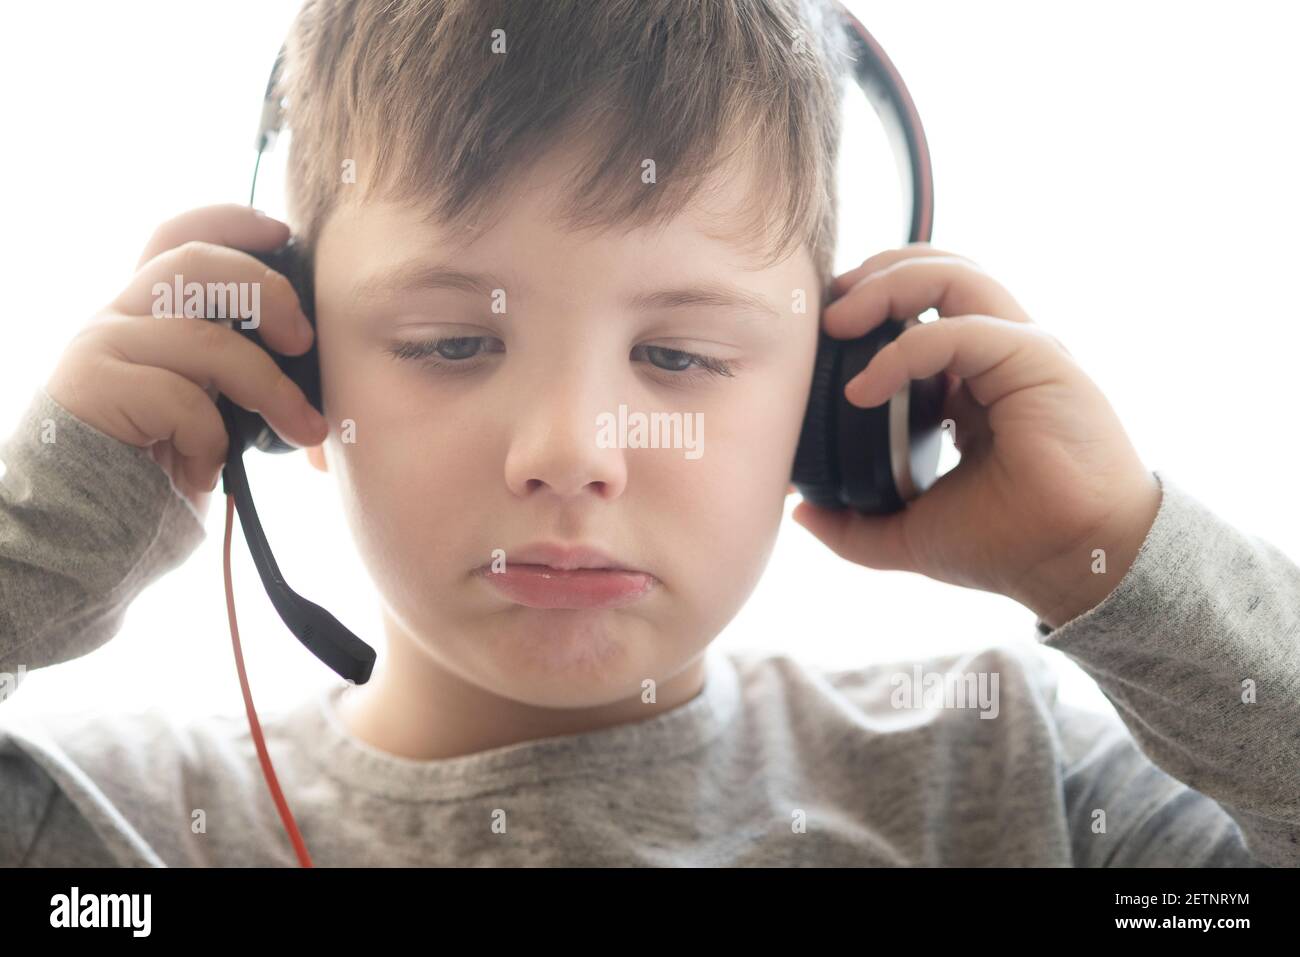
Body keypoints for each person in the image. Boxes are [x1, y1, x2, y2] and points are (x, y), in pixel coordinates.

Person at [1, 0, 1296, 866]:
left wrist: (1116, 556)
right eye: (450, 343)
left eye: (678, 355)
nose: (572, 451)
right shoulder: (113, 834)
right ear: (282, 363)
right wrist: (34, 554)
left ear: (837, 389)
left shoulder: (1018, 783)